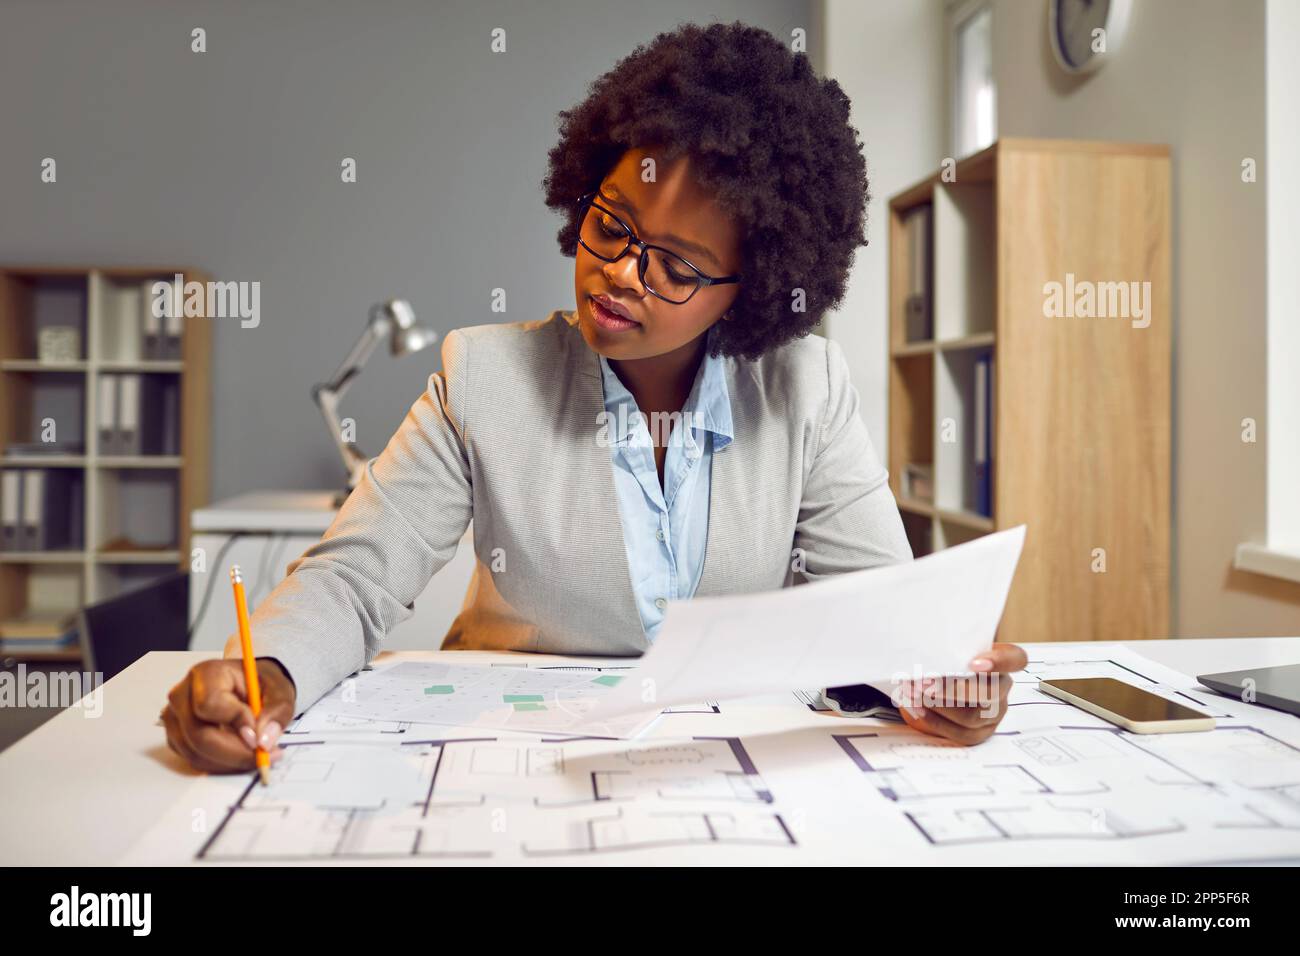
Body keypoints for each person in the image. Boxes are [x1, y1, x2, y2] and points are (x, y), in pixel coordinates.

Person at [162, 21, 1027, 775]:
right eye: (611, 224)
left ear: (752, 288)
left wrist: (939, 683)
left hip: (728, 781)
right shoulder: (481, 377)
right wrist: (267, 672)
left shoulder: (806, 389)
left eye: (677, 267)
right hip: (515, 769)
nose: (619, 271)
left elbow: (884, 618)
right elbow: (354, 580)